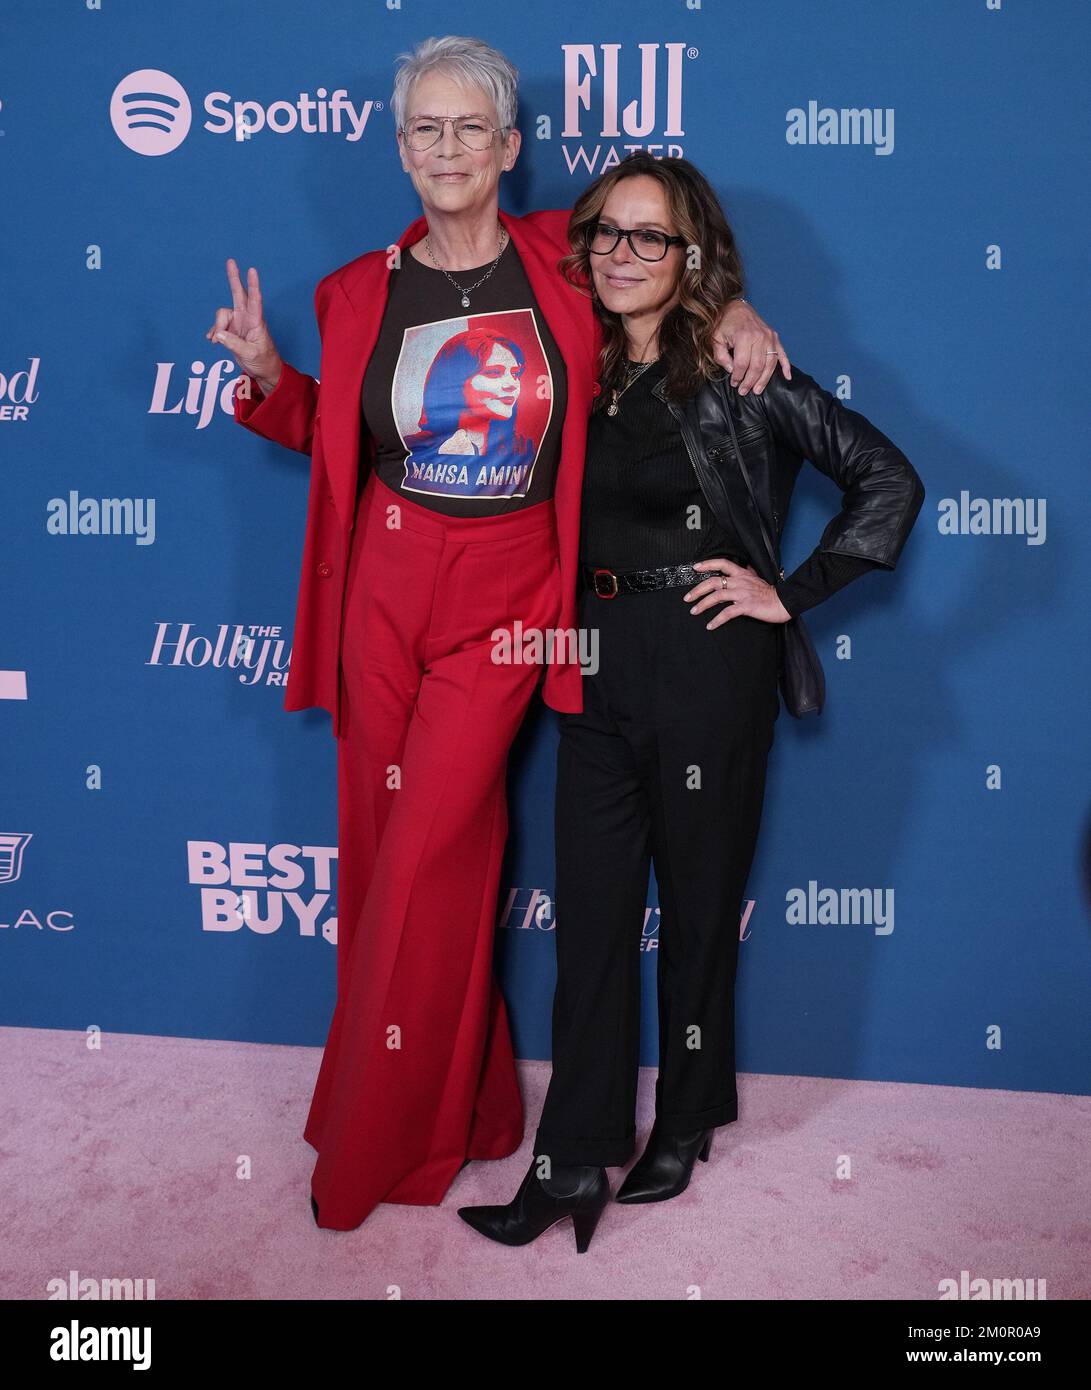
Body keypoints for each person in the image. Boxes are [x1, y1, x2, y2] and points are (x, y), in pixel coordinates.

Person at [207, 38, 789, 1232]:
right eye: (426, 128)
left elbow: (665, 261)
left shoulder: (565, 266)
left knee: (430, 846)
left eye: (471, 128)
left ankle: (368, 1139)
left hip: (516, 600)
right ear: (400, 147)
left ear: (511, 148)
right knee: (387, 856)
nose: (449, 149)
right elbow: (343, 434)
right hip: (384, 579)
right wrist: (270, 379)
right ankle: (471, 1112)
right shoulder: (351, 290)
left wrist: (733, 304)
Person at [457, 151, 925, 1252]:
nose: (621, 256)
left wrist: (787, 592)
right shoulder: (570, 355)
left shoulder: (735, 370)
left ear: (691, 254)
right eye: (606, 234)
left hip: (708, 659)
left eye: (649, 238)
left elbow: (887, 478)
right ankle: (571, 1153)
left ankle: (684, 1116)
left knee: (701, 907)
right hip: (587, 654)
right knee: (591, 920)